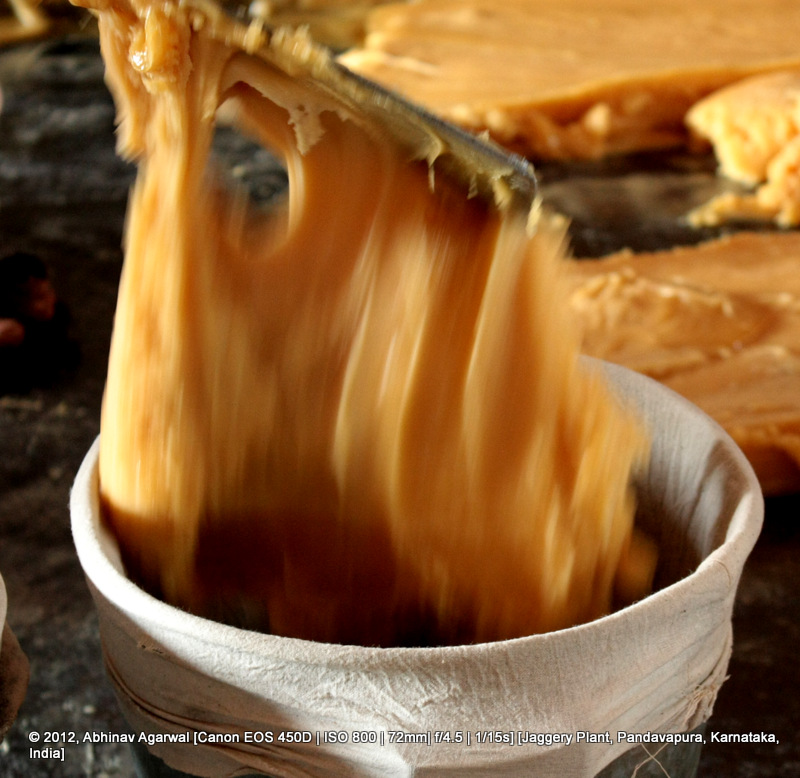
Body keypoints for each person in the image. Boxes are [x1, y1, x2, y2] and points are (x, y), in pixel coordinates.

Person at [0, 252, 79, 393]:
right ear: (15, 302)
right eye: (39, 298)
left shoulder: (57, 315)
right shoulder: (8, 324)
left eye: (49, 291)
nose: (50, 300)